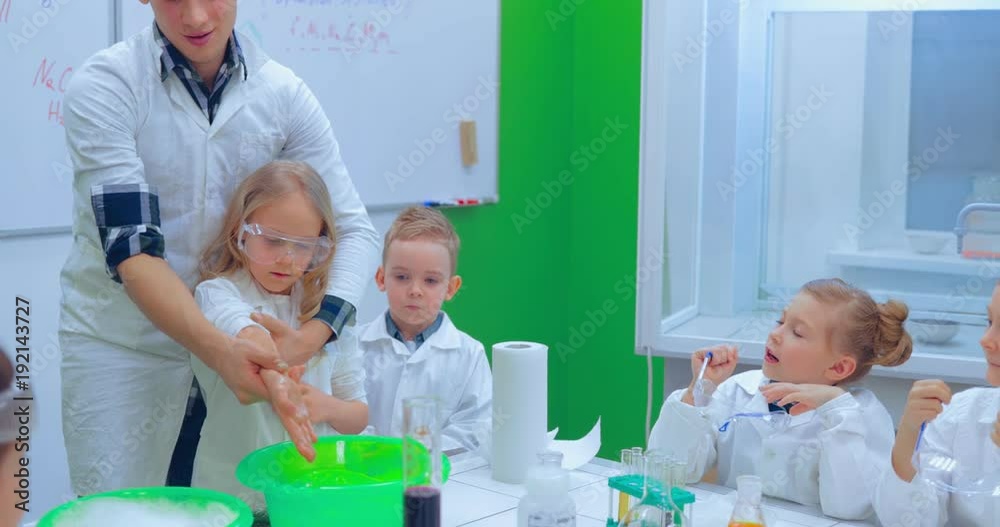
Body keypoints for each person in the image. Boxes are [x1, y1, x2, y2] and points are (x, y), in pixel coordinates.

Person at [59, 0, 379, 495]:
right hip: (126, 346)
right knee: (117, 509)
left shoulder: (284, 95)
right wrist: (220, 350)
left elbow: (353, 231)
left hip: (247, 348)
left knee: (232, 502)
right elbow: (133, 249)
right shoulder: (107, 87)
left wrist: (311, 336)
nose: (195, 18)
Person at [649, 278, 913, 520]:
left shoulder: (862, 416)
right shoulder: (737, 391)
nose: (775, 334)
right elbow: (670, 467)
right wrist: (700, 389)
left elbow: (851, 508)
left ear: (838, 368)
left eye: (797, 332)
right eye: (780, 321)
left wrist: (837, 411)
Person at [191, 160, 368, 509]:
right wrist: (278, 377)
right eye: (272, 241)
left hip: (312, 496)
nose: (287, 260)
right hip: (235, 500)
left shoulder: (325, 314)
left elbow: (358, 415)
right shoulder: (217, 294)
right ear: (240, 231)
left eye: (304, 247)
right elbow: (245, 333)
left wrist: (327, 407)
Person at [361, 207, 492, 452]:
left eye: (430, 280)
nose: (415, 290)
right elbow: (344, 418)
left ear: (451, 287)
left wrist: (417, 453)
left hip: (440, 478)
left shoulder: (470, 354)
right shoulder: (355, 345)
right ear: (381, 278)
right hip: (368, 475)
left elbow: (476, 426)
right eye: (402, 277)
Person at [873, 282, 1000, 526]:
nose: (986, 340)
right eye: (990, 322)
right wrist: (908, 434)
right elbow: (908, 521)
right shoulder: (960, 414)